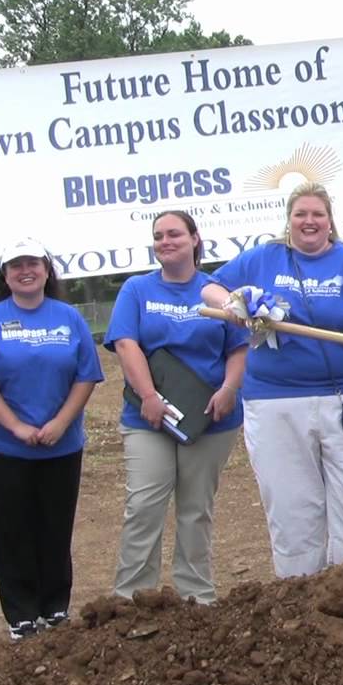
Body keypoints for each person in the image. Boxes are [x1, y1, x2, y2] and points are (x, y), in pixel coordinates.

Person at [201, 182, 343, 577]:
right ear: (289, 221)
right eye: (301, 214)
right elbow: (210, 286)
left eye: (318, 214)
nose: (309, 221)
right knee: (291, 504)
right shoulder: (262, 257)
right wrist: (231, 304)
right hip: (275, 401)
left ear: (330, 221)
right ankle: (299, 596)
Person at [0, 238, 104, 640]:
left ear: (46, 270)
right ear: (5, 275)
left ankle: (55, 607)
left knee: (54, 527)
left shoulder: (68, 317)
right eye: (16, 265)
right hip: (3, 444)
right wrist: (16, 426)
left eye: (34, 263)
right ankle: (20, 613)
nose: (26, 270)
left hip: (62, 443)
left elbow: (86, 375)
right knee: (10, 528)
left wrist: (60, 422)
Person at [105, 211, 248, 603]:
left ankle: (196, 595)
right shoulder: (136, 289)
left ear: (195, 239)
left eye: (174, 234)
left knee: (196, 509)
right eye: (158, 236)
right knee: (144, 506)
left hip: (210, 417)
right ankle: (133, 597)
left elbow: (238, 345)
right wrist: (149, 396)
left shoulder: (218, 290)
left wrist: (230, 388)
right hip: (147, 416)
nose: (165, 241)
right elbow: (125, 343)